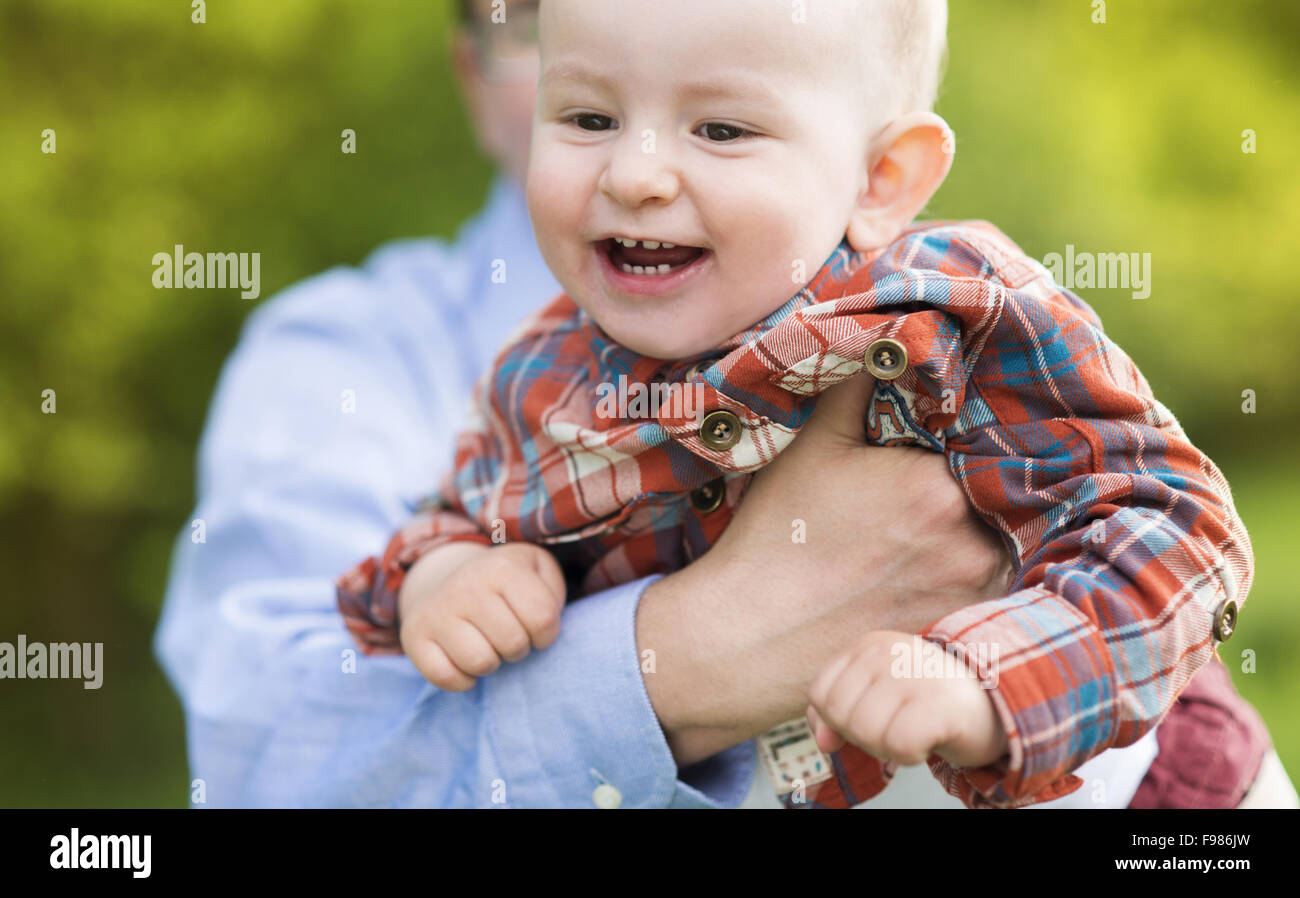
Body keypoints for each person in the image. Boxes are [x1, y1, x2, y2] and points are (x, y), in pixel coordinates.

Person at [155, 0, 1290, 809]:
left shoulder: (948, 314)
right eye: (591, 118)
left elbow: (1173, 522)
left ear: (881, 179)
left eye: (722, 129)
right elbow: (457, 518)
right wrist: (449, 573)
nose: (637, 173)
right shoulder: (536, 364)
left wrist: (985, 674)